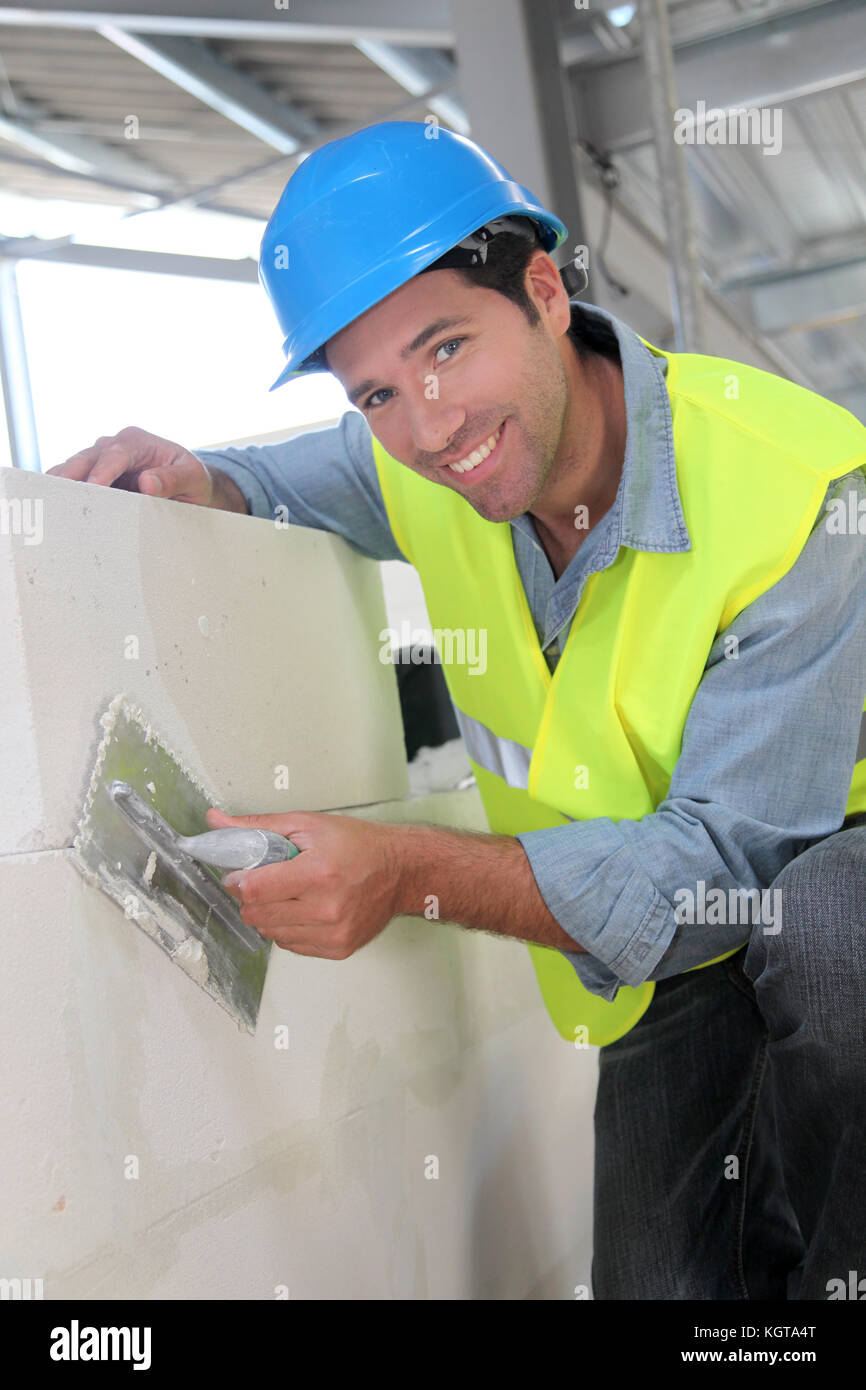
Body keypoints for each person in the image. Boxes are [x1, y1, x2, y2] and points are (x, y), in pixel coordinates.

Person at [48, 120, 866, 1301]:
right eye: (376, 389)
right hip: (656, 961)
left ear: (541, 291)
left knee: (832, 932)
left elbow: (725, 860)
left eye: (446, 348)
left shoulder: (798, 487)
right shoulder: (413, 464)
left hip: (804, 883)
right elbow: (270, 482)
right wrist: (191, 478)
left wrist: (405, 870)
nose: (428, 427)